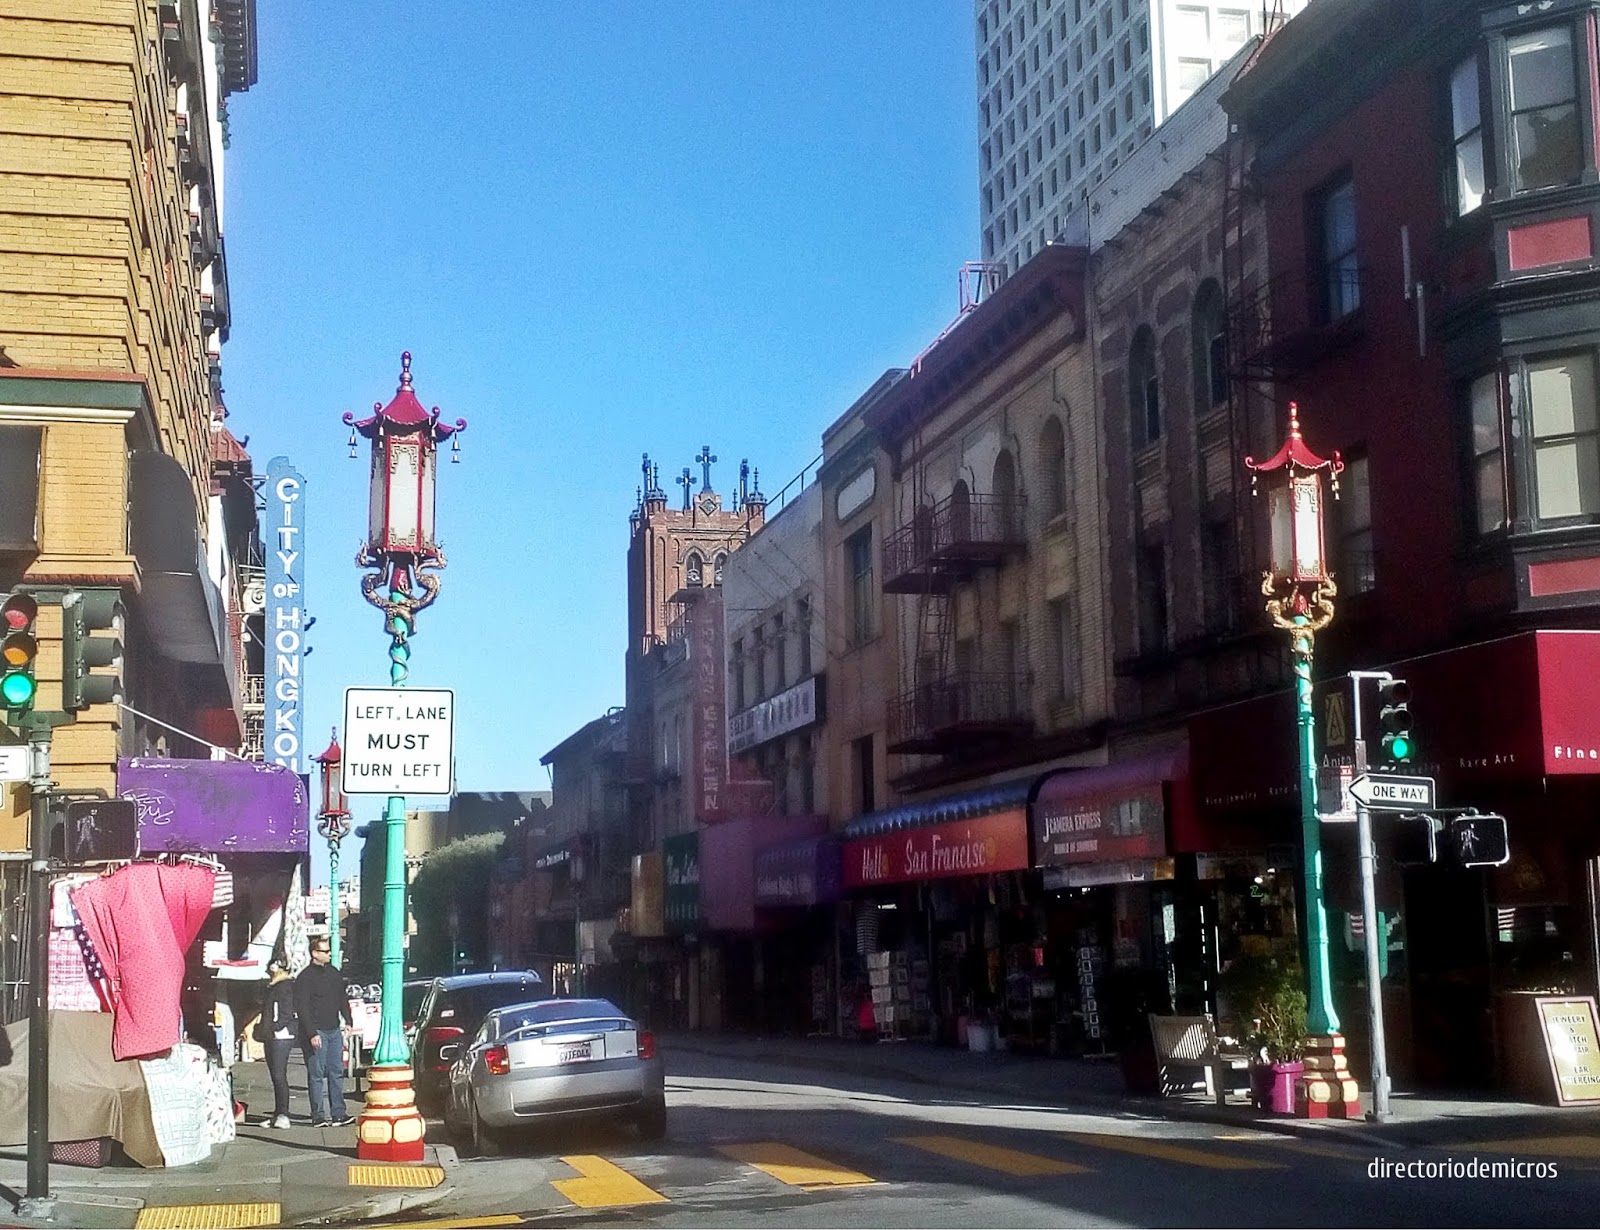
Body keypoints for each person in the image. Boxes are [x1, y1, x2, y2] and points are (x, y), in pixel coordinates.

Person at [294, 938, 354, 1127]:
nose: (329, 954)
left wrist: (349, 1020)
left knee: (336, 1072)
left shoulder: (334, 974)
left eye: (329, 951)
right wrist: (312, 1033)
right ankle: (318, 1115)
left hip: (334, 1029)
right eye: (325, 951)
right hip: (317, 1031)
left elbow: (341, 998)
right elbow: (302, 1007)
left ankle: (338, 1113)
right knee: (316, 1074)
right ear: (314, 953)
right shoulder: (305, 978)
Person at [254, 961, 298, 1129]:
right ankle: (278, 1112)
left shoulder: (285, 986)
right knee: (275, 1076)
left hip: (281, 1035)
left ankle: (283, 1114)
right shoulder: (272, 987)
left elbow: (284, 1013)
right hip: (271, 1034)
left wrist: (274, 1027)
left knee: (279, 1075)